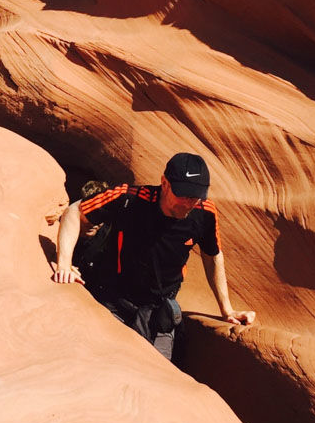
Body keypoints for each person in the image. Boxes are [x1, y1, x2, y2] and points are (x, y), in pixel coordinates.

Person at [52, 153, 255, 361]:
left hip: (159, 312)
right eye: (183, 195)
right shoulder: (130, 198)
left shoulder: (205, 212)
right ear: (164, 183)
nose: (188, 204)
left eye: (195, 197)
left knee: (156, 370)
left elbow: (212, 256)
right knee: (105, 361)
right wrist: (64, 264)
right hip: (114, 303)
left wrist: (227, 310)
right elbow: (75, 211)